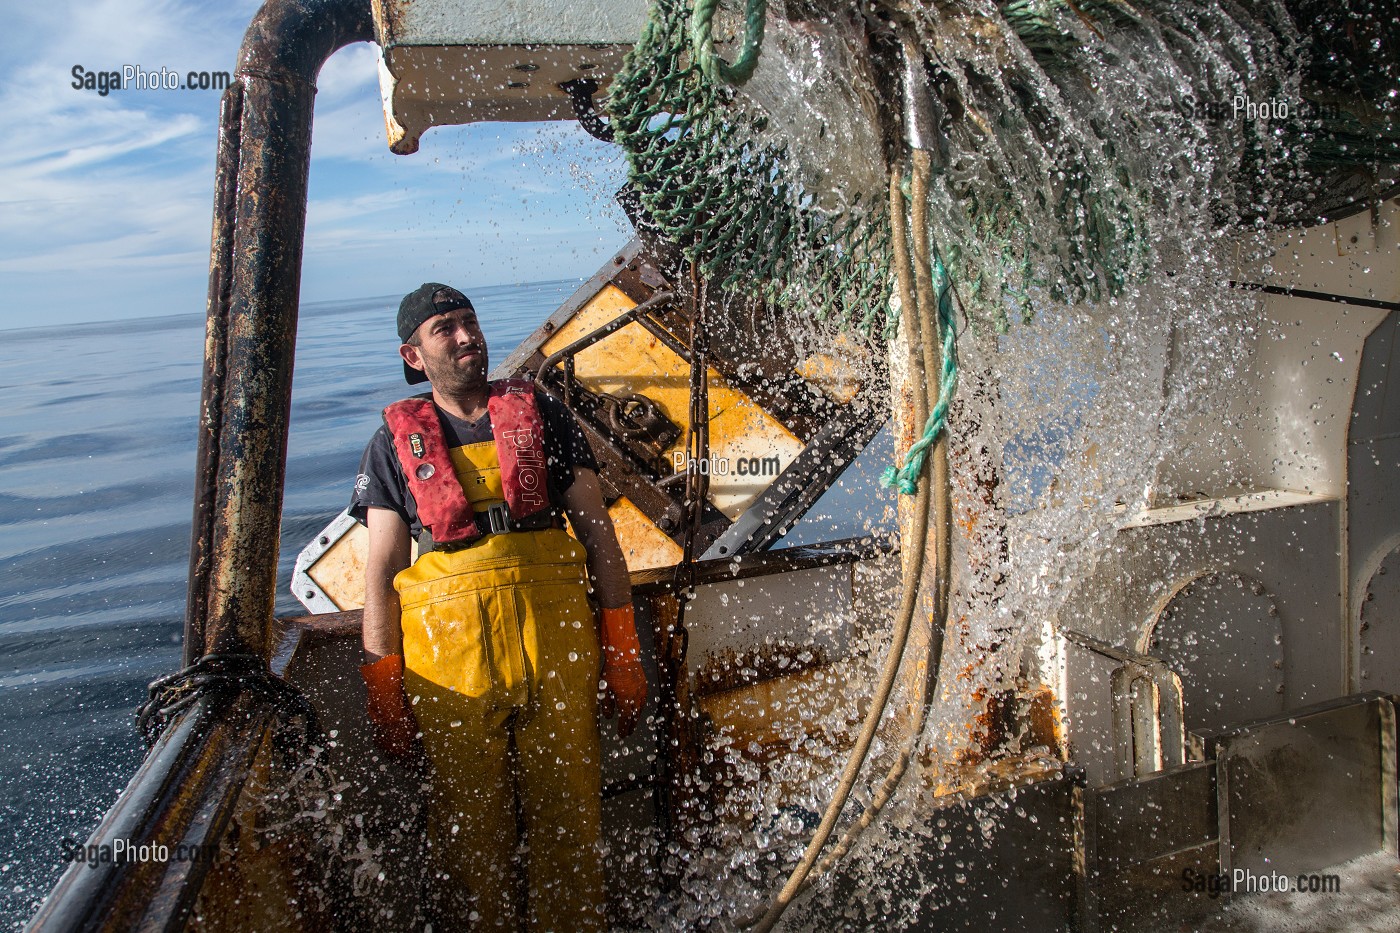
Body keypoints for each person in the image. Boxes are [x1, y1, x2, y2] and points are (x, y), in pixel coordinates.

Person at [348, 283, 647, 930]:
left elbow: (600, 538)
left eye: (470, 322)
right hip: (452, 670)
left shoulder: (543, 415)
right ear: (414, 354)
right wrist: (384, 686)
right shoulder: (391, 446)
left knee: (570, 816)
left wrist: (622, 651)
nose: (465, 337)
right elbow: (379, 576)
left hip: (557, 653)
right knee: (467, 834)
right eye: (445, 330)